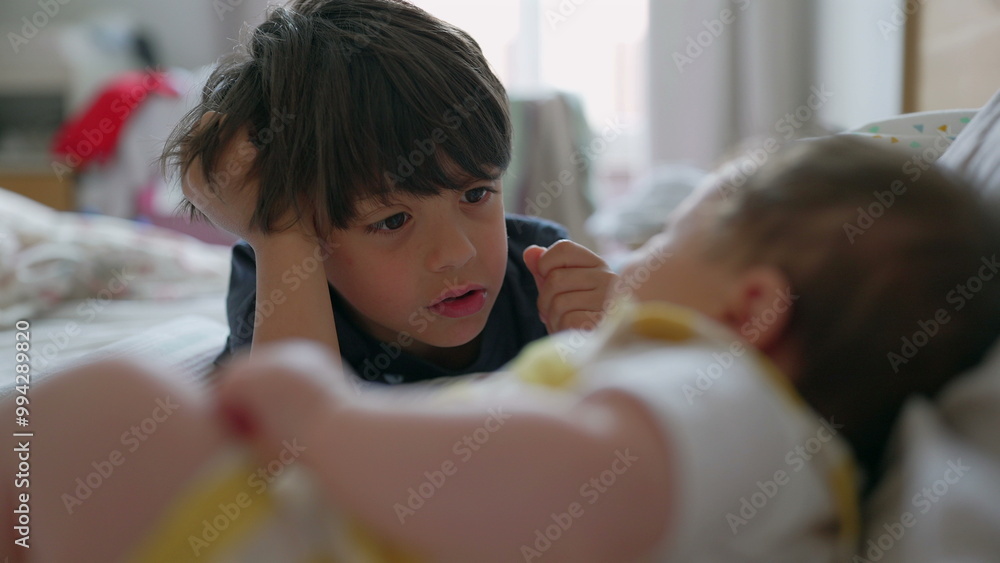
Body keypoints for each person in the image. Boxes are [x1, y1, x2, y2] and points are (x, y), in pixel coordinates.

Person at [8, 136, 1000, 562]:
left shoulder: (728, 398)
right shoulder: (756, 449)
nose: (630, 257)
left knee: (90, 404)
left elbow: (577, 487)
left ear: (750, 314)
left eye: (663, 240)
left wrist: (328, 416)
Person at [162, 0, 616, 385]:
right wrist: (279, 230)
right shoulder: (280, 279)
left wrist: (617, 336)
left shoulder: (540, 281)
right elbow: (286, 450)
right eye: (392, 220)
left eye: (476, 194)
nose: (457, 252)